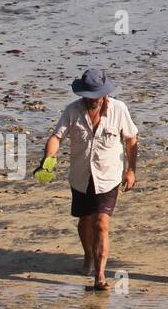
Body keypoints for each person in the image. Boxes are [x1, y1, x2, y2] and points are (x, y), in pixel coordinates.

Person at [39, 69, 139, 290]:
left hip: (109, 176)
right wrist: (48, 158)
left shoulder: (119, 109)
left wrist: (131, 171)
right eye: (87, 96)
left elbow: (131, 140)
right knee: (85, 221)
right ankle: (88, 256)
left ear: (104, 94)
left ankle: (100, 276)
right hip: (81, 177)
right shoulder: (72, 111)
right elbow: (56, 137)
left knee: (101, 223)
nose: (91, 100)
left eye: (95, 96)